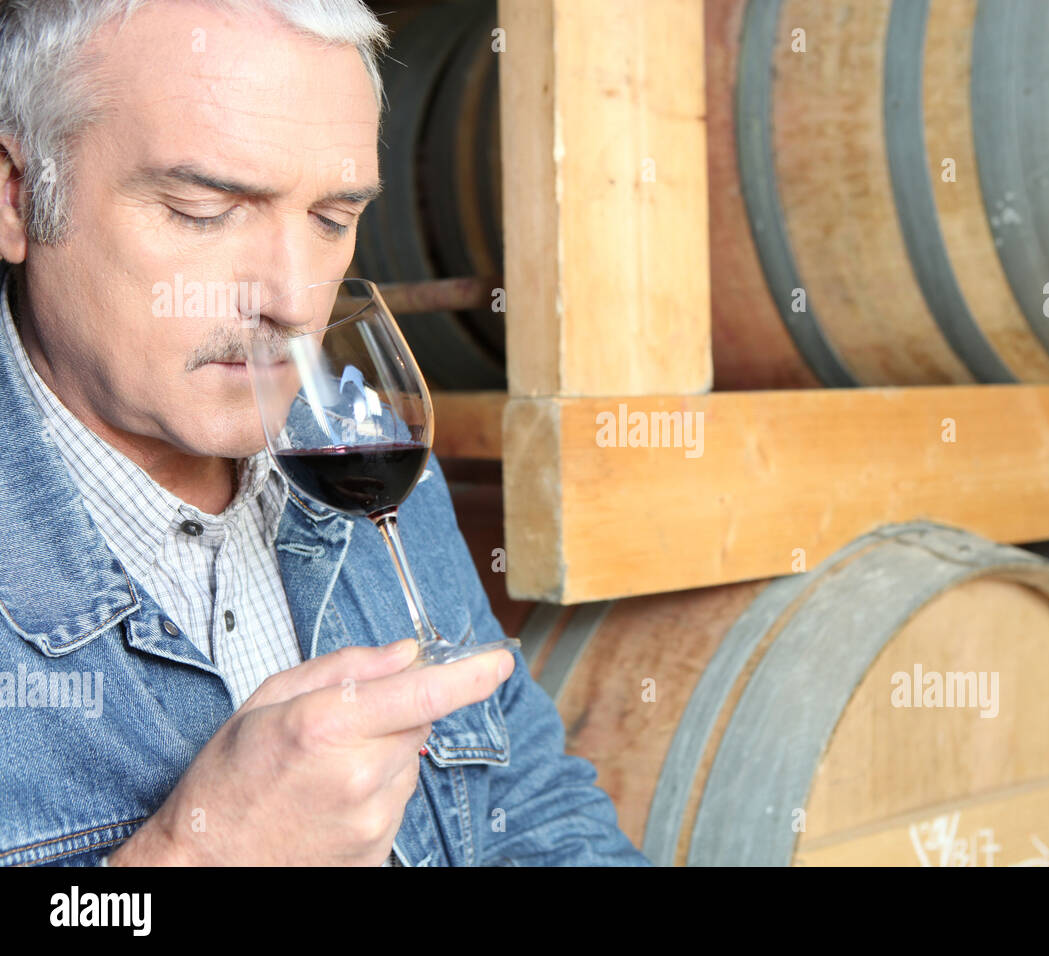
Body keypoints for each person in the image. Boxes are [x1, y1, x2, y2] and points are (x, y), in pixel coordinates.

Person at [0, 0, 650, 867]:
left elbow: (527, 806)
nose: (297, 300)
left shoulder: (355, 441)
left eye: (333, 219)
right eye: (203, 207)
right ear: (15, 197)